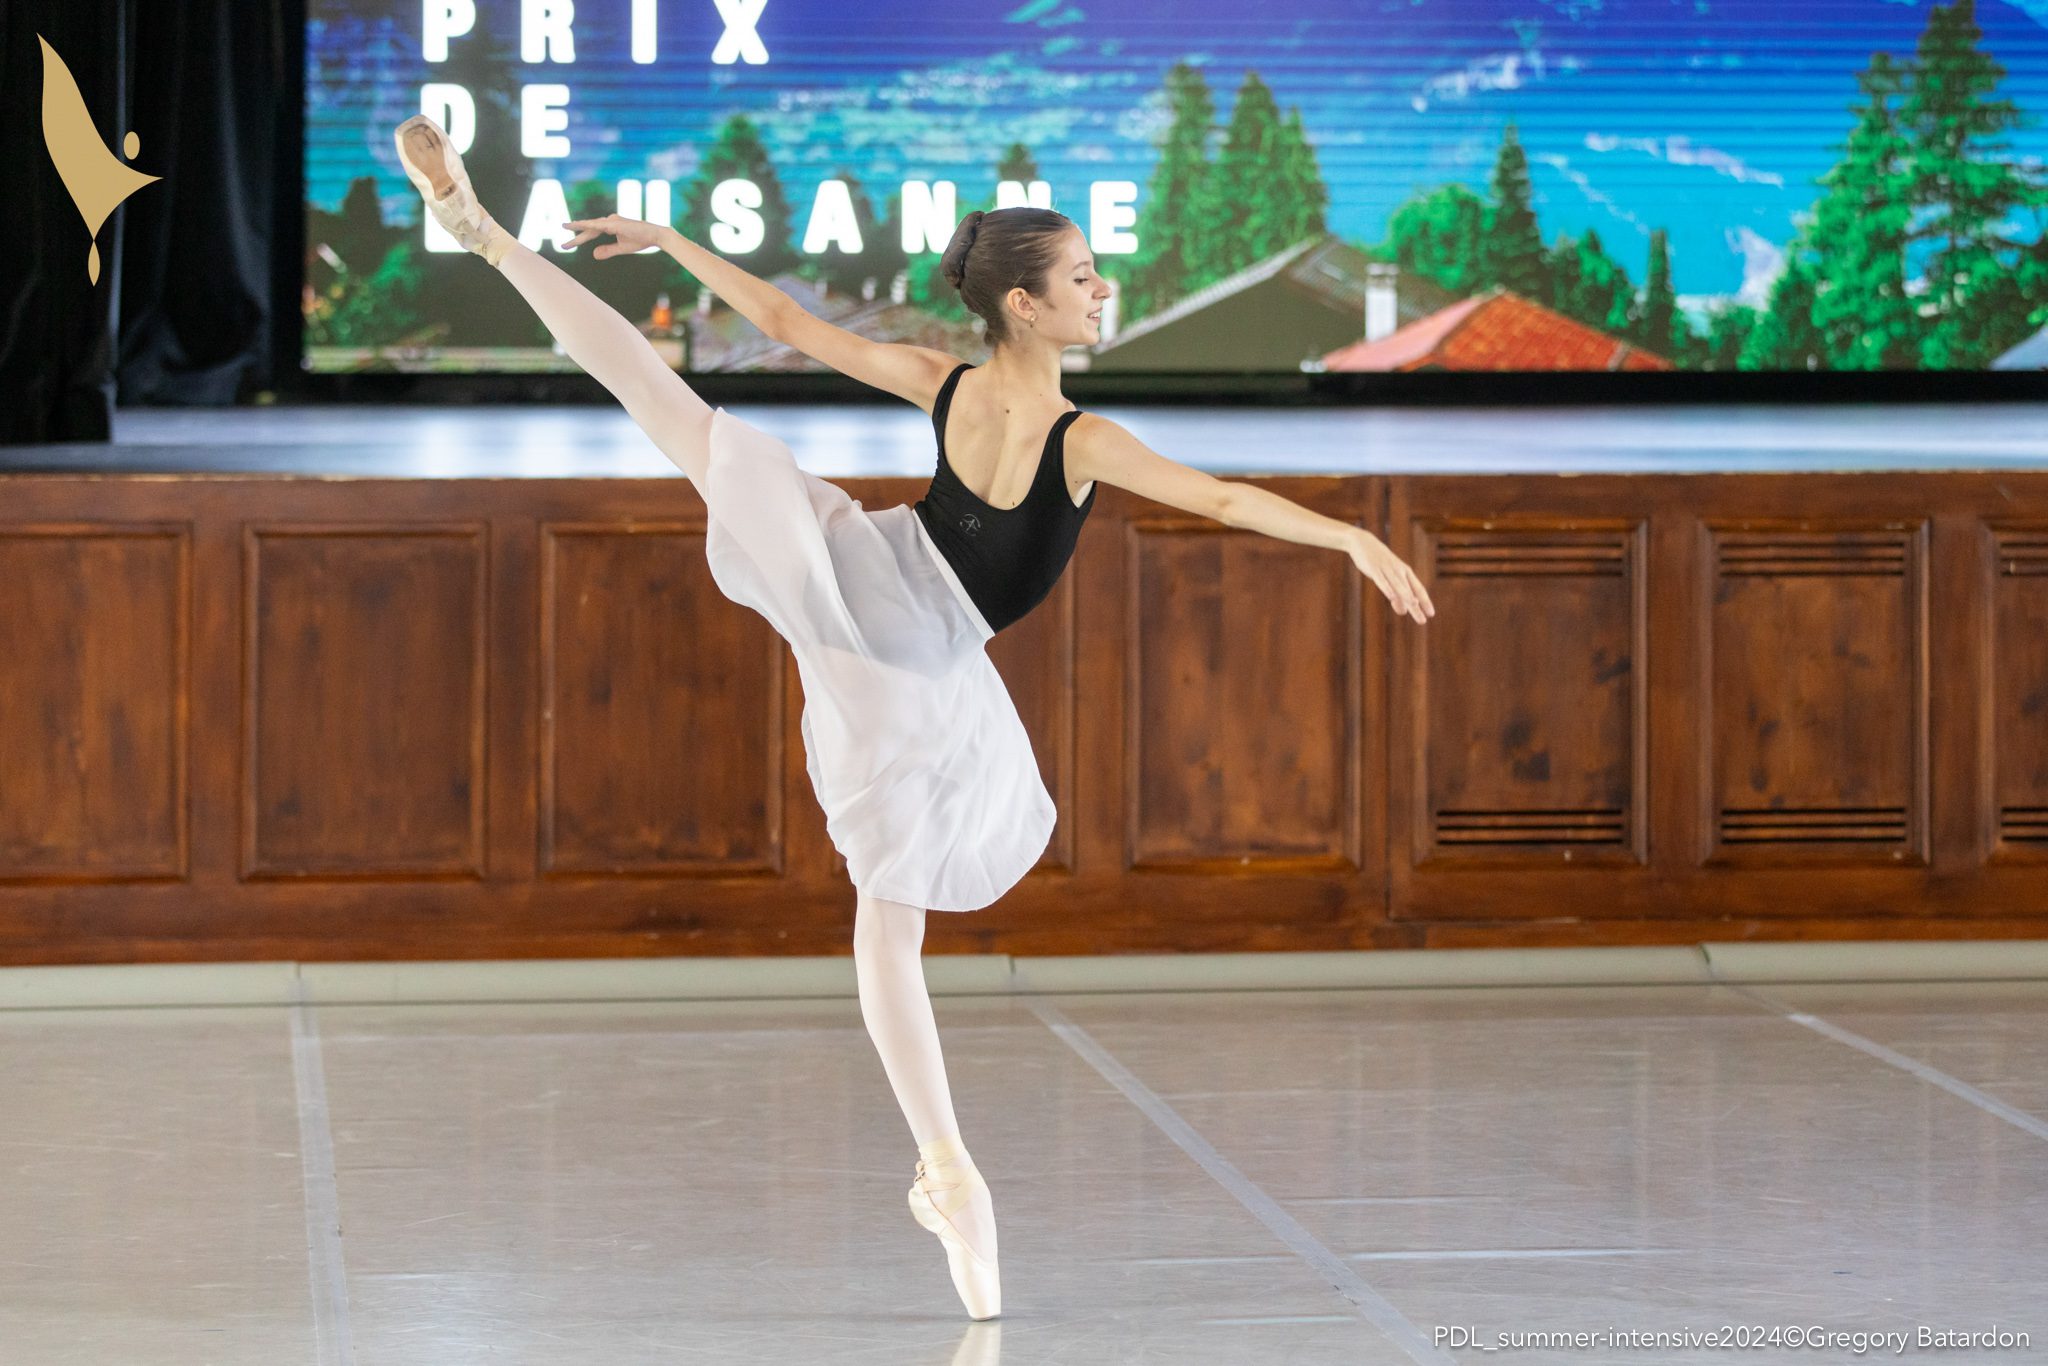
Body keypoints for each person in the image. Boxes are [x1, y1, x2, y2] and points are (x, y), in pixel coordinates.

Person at [392, 113, 1434, 1323]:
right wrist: (1348, 534)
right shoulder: (1080, 437)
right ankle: (948, 1171)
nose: (1105, 289)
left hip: (876, 582)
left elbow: (782, 323)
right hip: (910, 645)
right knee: (888, 922)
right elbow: (1221, 497)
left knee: (669, 411)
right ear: (1027, 309)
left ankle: (479, 234)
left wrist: (674, 234)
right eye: (1084, 278)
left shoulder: (949, 382)